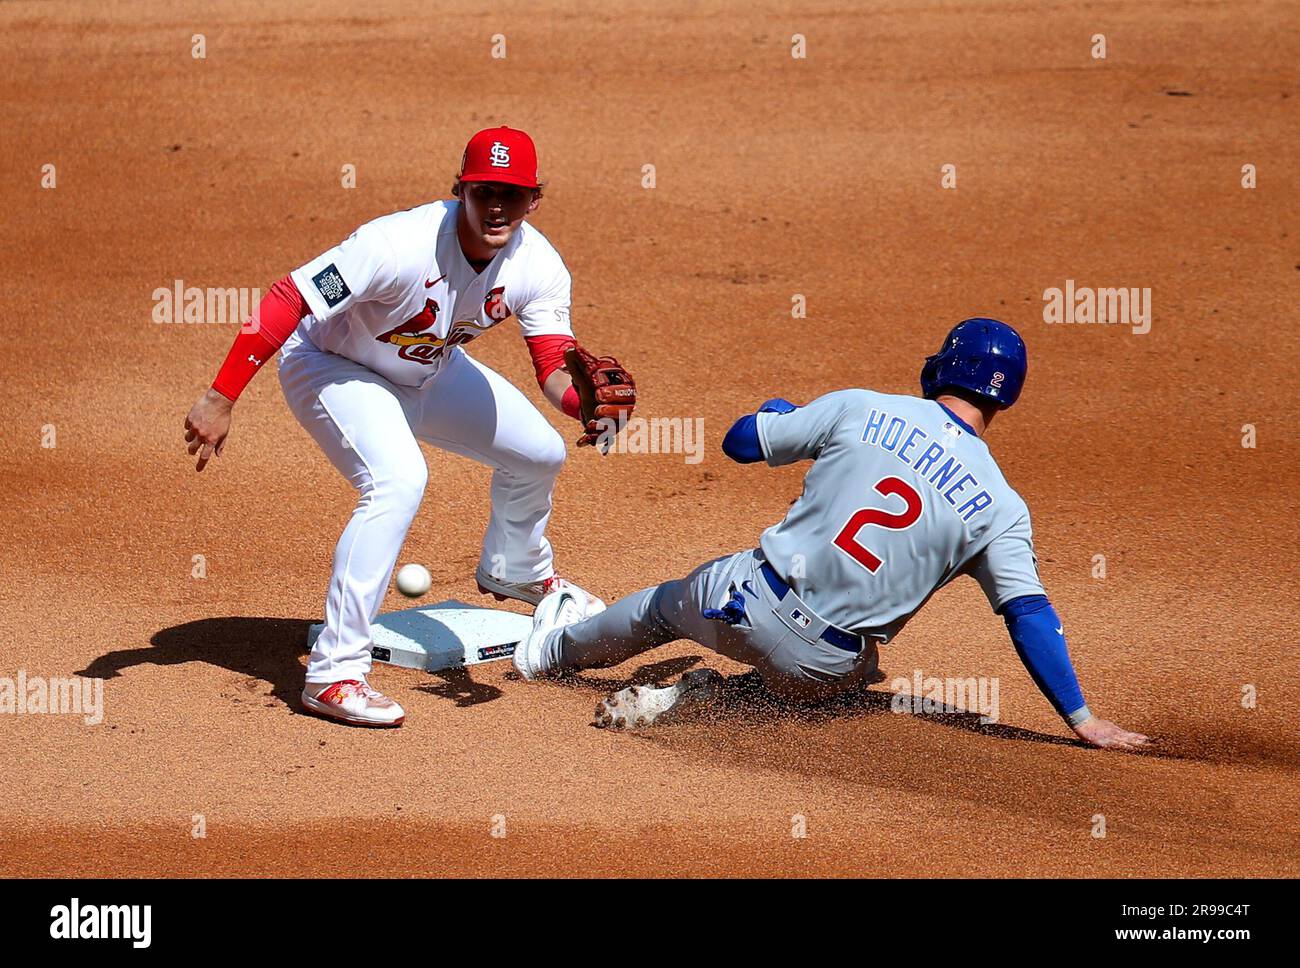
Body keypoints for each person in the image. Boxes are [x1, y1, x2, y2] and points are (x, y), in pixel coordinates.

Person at [513, 318, 1150, 751]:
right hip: (820, 664)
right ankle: (691, 705)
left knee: (661, 607)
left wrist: (778, 415)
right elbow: (1030, 616)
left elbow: (738, 445)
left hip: (740, 602)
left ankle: (548, 655)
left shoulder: (866, 405)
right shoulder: (1003, 507)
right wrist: (1082, 718)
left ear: (943, 367)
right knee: (851, 687)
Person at [183, 126, 633, 727]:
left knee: (541, 455)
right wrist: (220, 396)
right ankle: (333, 674)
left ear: (534, 200)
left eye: (513, 193)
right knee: (398, 481)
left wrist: (588, 407)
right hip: (332, 366)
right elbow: (289, 296)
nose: (497, 206)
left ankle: (515, 569)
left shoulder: (538, 264)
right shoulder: (395, 244)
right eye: (484, 192)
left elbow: (553, 365)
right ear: (461, 191)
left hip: (431, 369)